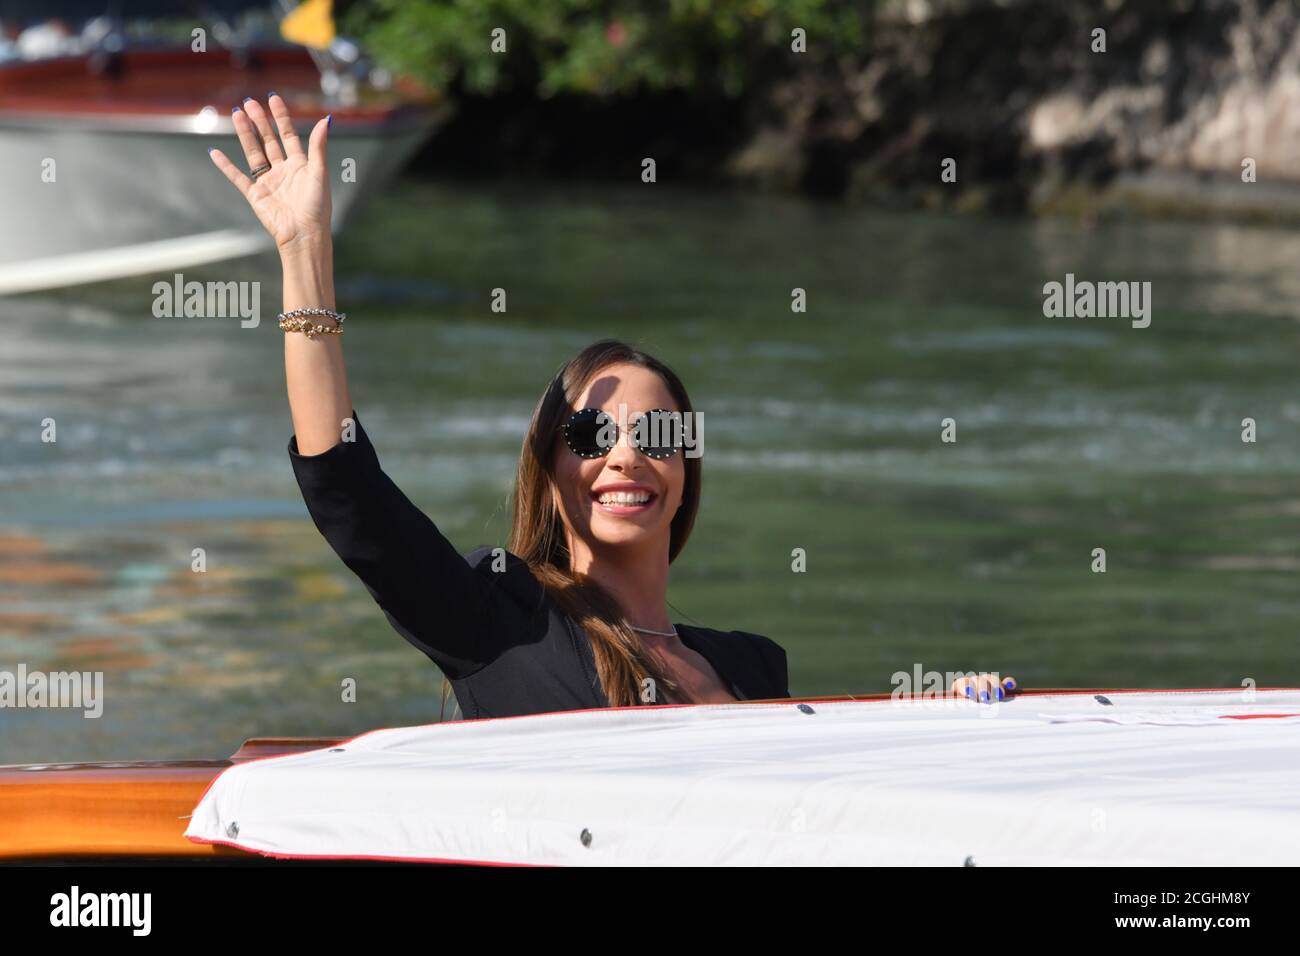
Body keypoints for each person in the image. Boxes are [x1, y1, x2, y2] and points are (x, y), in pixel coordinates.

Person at [207, 95, 1013, 718]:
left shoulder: (752, 665)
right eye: (592, 434)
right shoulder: (500, 617)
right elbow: (348, 491)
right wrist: (304, 252)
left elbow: (814, 795)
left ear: (687, 468)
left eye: (657, 433)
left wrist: (950, 719)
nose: (626, 455)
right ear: (551, 464)